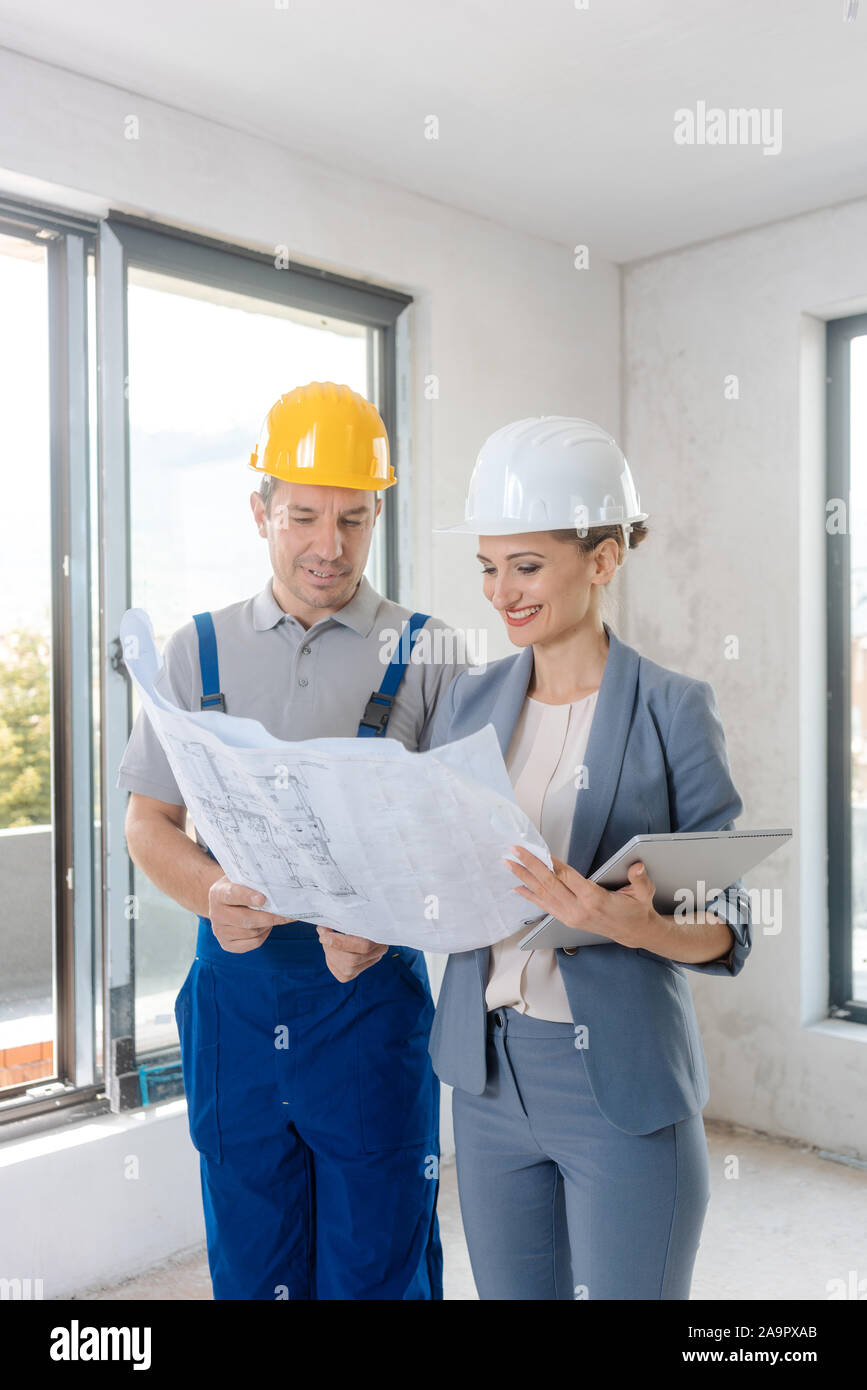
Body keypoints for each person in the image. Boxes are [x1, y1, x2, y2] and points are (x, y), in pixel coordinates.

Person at [118, 381, 466, 1300]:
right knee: (253, 1255)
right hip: (237, 996)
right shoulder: (198, 652)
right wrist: (209, 895)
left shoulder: (429, 652)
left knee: (377, 1260)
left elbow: (461, 840)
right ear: (260, 509)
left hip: (368, 1003)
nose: (328, 545)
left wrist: (393, 920)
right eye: (305, 516)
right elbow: (147, 824)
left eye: (354, 519)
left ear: (376, 513)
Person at [425, 415, 753, 1300]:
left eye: (526, 566)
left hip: (616, 1084)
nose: (501, 594)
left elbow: (728, 928)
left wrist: (633, 925)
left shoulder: (673, 709)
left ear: (603, 560)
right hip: (487, 1078)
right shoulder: (466, 705)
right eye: (488, 567)